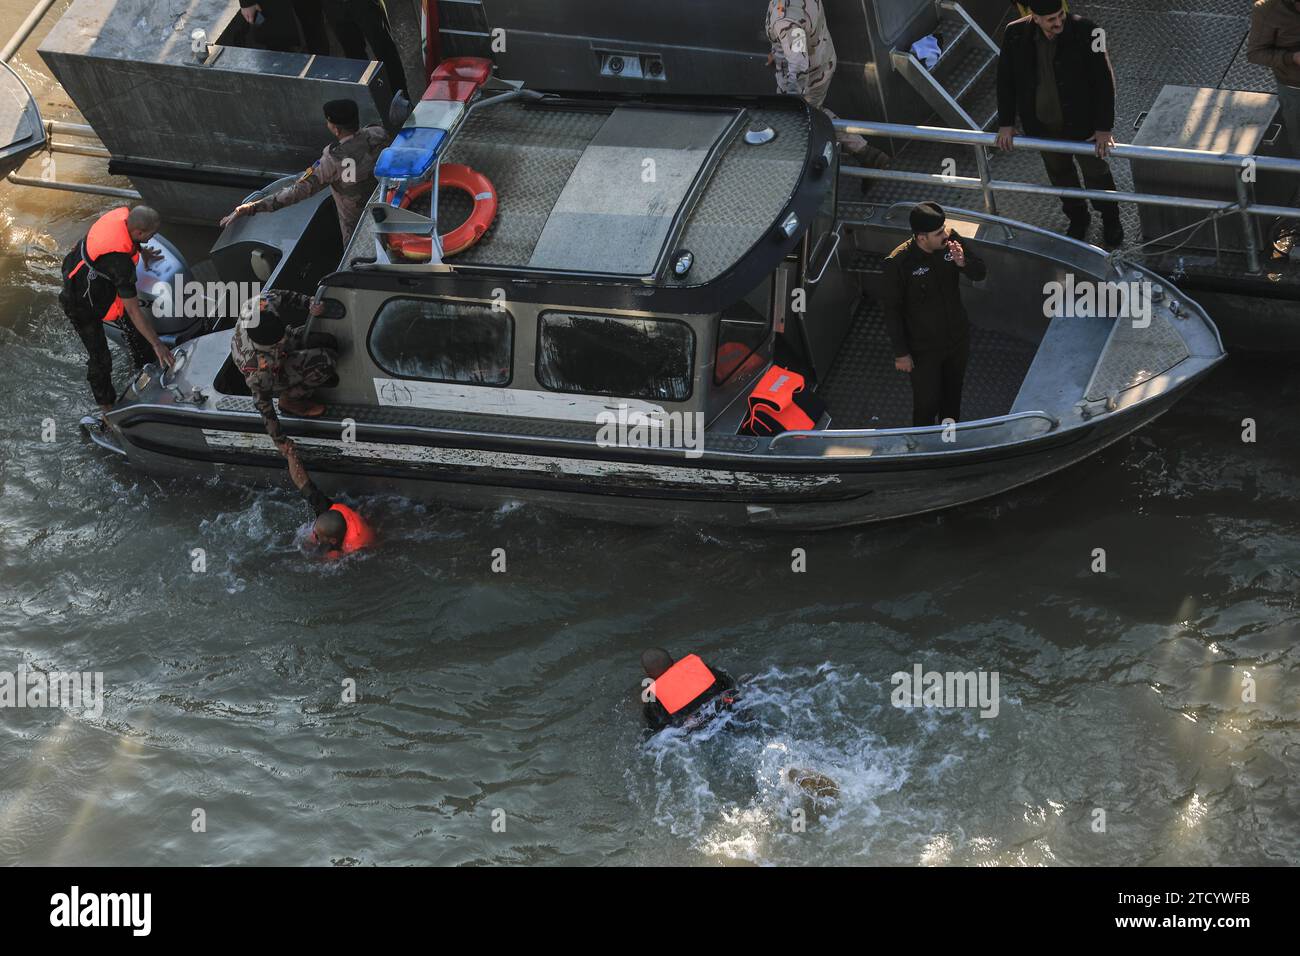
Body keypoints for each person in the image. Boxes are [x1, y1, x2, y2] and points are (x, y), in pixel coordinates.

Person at [995, 0, 1124, 247]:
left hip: (1083, 127)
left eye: (1060, 16)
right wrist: (1006, 123)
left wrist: (1103, 128)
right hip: (1043, 127)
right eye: (1051, 19)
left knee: (1097, 174)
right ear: (1034, 16)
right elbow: (1006, 79)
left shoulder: (1089, 31)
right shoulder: (1014, 34)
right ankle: (1077, 217)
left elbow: (1104, 81)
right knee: (1060, 174)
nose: (1058, 23)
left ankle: (1110, 219)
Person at [219, 99, 390, 242]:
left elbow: (296, 192)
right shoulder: (378, 133)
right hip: (388, 207)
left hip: (358, 227)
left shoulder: (333, 161)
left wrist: (250, 207)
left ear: (335, 129)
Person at [59, 205, 175, 414]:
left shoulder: (123, 221)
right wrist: (158, 344)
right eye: (152, 234)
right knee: (101, 358)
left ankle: (147, 370)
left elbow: (124, 244)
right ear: (139, 232)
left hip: (91, 274)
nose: (153, 237)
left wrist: (143, 252)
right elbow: (133, 310)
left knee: (138, 334)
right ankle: (107, 409)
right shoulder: (120, 264)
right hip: (80, 303)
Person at [881, 202, 987, 428]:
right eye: (939, 233)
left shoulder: (951, 242)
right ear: (921, 238)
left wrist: (963, 262)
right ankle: (922, 447)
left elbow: (980, 272)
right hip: (924, 350)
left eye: (945, 229)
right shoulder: (899, 263)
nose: (945, 235)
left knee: (952, 395)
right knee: (927, 402)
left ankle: (948, 440)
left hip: (957, 339)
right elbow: (892, 311)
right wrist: (901, 354)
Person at [765, 0, 891, 186]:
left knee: (804, 122)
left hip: (806, 80)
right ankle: (867, 154)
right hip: (822, 59)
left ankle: (864, 155)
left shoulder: (786, 20)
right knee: (815, 114)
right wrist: (778, 49)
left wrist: (793, 105)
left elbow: (799, 64)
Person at [231, 290, 340, 462]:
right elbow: (264, 406)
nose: (282, 343)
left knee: (326, 339)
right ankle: (290, 399)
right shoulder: (258, 372)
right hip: (271, 368)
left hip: (280, 339)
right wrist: (280, 440)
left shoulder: (258, 305)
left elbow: (280, 294)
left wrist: (308, 302)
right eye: (278, 342)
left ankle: (290, 345)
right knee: (326, 360)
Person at [284, 447, 375, 557]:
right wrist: (290, 453)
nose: (314, 536)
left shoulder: (356, 548)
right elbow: (303, 483)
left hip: (361, 534)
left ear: (332, 541)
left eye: (317, 536)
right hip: (347, 519)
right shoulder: (327, 508)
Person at [324, 0, 408, 98]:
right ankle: (372, 103)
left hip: (364, 3)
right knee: (355, 59)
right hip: (333, 6)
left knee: (385, 51)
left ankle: (403, 102)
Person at [640, 648, 737, 732]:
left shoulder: (654, 698)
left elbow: (657, 727)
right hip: (726, 712)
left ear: (649, 675)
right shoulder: (697, 669)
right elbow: (728, 683)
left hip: (697, 731)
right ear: (672, 661)